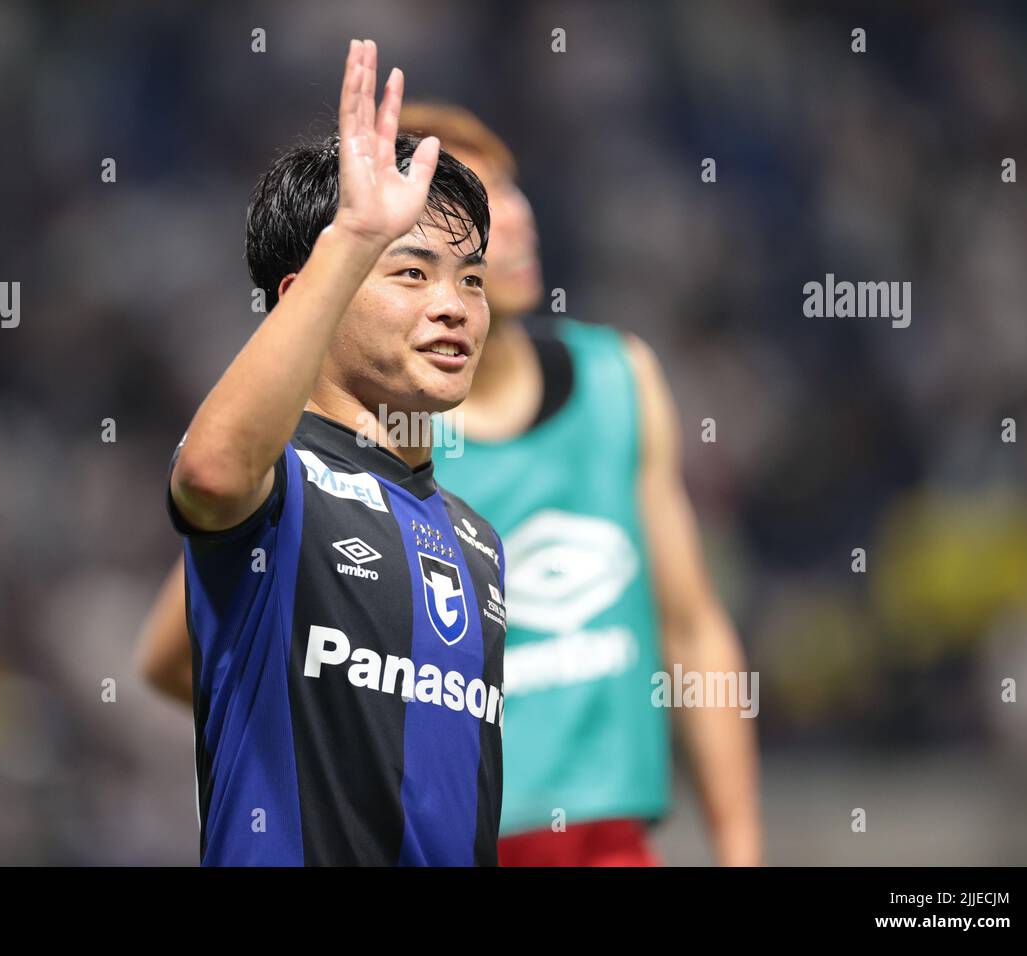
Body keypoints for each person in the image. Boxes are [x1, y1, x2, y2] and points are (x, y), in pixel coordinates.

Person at [162, 40, 505, 866]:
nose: (454, 307)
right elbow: (208, 475)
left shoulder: (479, 541)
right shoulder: (277, 485)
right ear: (305, 295)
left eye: (472, 280)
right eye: (411, 273)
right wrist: (353, 233)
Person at [399, 102, 761, 866]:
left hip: (611, 847)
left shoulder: (617, 379)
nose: (519, 220)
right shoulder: (378, 434)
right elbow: (195, 644)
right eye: (476, 203)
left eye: (512, 189)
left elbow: (693, 631)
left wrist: (740, 851)